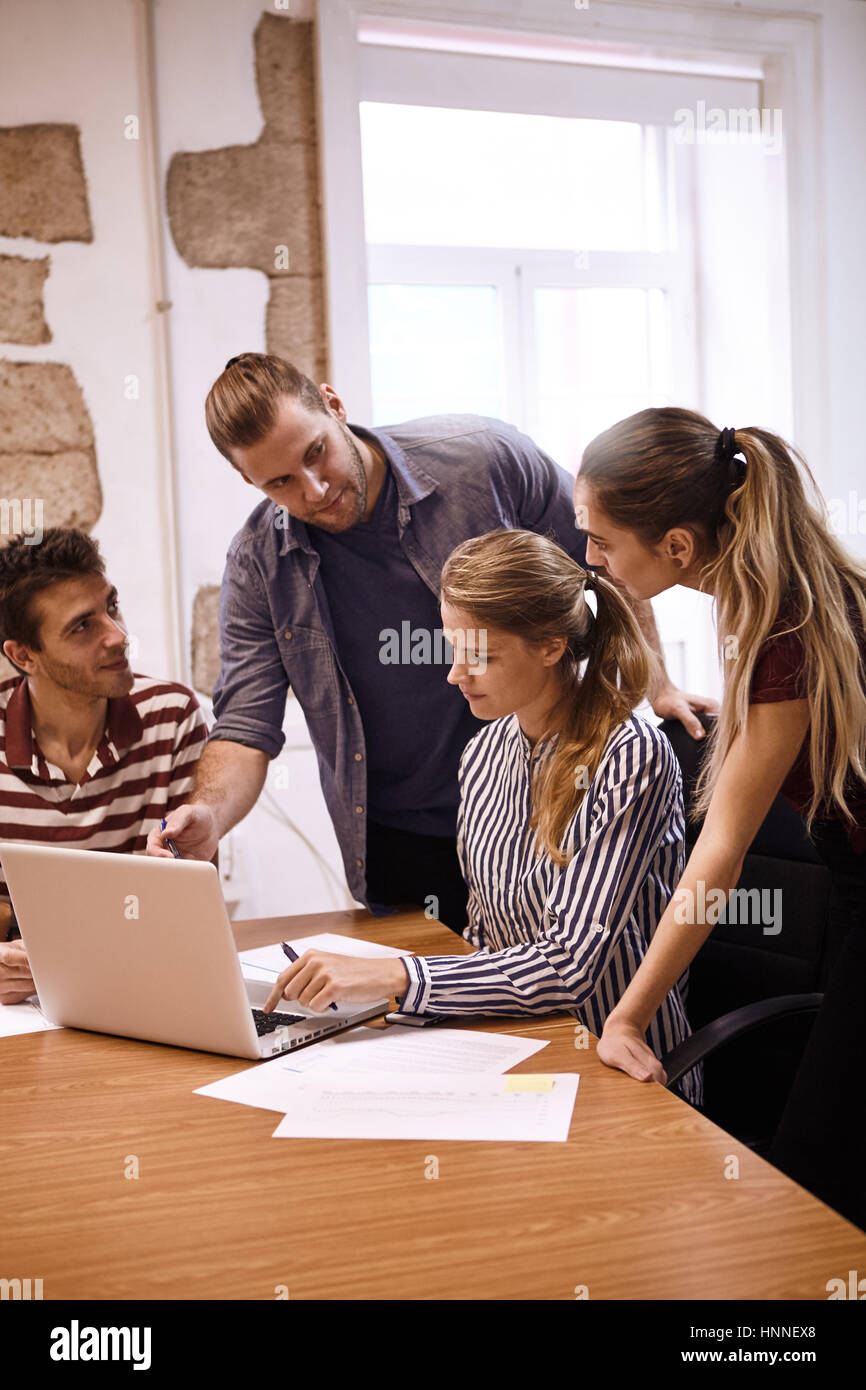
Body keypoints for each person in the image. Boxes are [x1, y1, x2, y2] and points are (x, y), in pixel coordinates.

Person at [147, 352, 717, 931]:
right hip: (398, 839)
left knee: (545, 993)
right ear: (250, 482)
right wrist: (211, 816)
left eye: (315, 452)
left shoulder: (484, 460)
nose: (315, 490)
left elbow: (607, 550)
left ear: (335, 405)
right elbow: (245, 725)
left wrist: (656, 681)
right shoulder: (258, 563)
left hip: (546, 806)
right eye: (281, 482)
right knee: (429, 1008)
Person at [261, 529, 703, 1106]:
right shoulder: (484, 751)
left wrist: (398, 978)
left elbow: (569, 966)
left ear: (550, 646)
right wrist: (391, 1003)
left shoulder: (630, 757)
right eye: (453, 649)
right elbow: (488, 938)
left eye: (480, 656)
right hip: (512, 1043)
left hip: (612, 1064)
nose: (454, 674)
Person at [570, 407, 866, 1229]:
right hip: (849, 871)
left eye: (601, 540)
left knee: (817, 1180)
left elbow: (721, 853)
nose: (591, 559)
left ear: (676, 546)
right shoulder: (764, 599)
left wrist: (629, 1017)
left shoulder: (790, 630)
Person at [0, 529, 208, 1005]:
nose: (118, 636)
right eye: (82, 626)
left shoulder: (170, 715)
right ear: (23, 655)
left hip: (143, 989)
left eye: (111, 607)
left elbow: (178, 902)